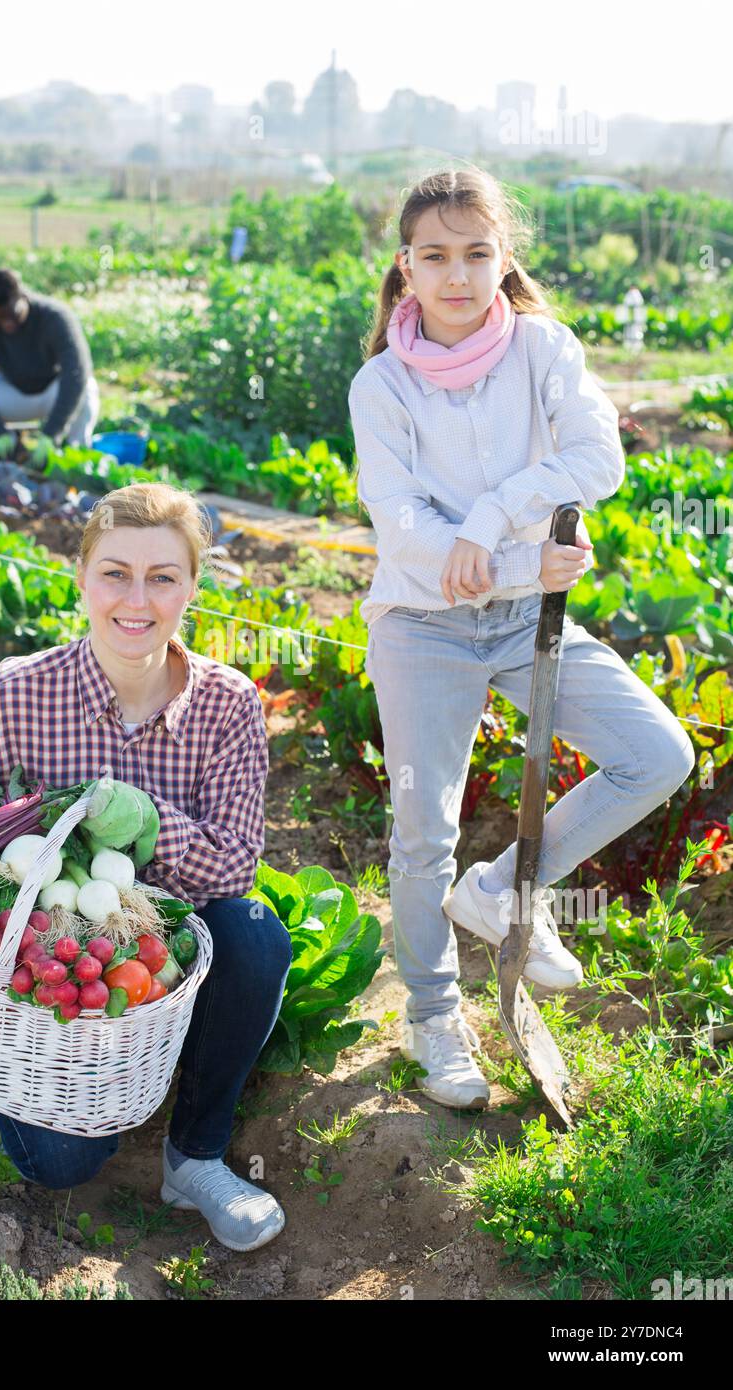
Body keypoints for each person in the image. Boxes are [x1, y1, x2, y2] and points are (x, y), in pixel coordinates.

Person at [348, 167, 695, 1112]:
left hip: (523, 622)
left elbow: (598, 456)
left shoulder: (541, 349)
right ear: (405, 269)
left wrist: (496, 515)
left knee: (655, 754)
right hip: (421, 628)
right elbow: (405, 533)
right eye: (434, 257)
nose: (456, 276)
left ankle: (501, 891)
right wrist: (509, 560)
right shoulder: (381, 386)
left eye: (475, 253)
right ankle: (432, 1015)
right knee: (422, 833)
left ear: (503, 261)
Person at [0, 482, 291, 1252]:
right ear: (80, 580)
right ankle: (27, 1071)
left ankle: (195, 1157)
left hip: (153, 947)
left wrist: (145, 817)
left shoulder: (228, 706)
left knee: (253, 933)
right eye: (114, 572)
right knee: (64, 1164)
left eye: (162, 577)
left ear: (192, 589)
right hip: (40, 959)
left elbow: (235, 864)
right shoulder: (13, 694)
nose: (135, 599)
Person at [0, 268, 100, 461]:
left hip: (51, 393)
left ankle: (73, 457)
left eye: (12, 315)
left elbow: (76, 373)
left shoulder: (55, 317)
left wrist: (52, 433)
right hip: (13, 393)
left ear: (22, 296)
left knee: (86, 388)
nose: (7, 324)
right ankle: (12, 450)